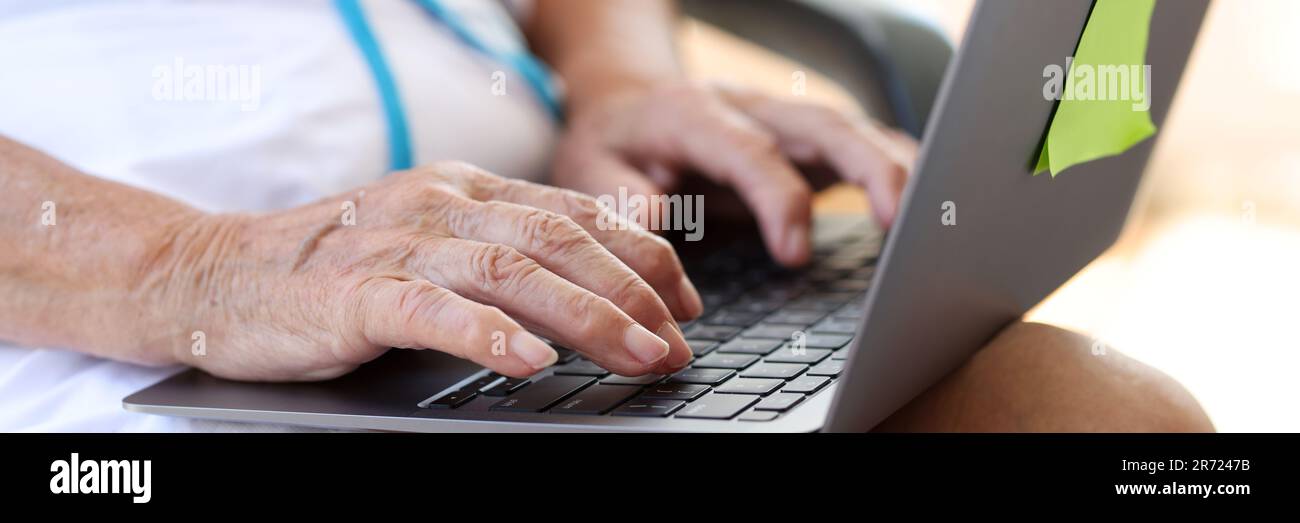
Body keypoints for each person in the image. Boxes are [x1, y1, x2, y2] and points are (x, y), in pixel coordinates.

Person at [0, 0, 1211, 431]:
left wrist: (621, 84)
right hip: (127, 348)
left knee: (1105, 419)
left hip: (540, 294)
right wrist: (191, 268)